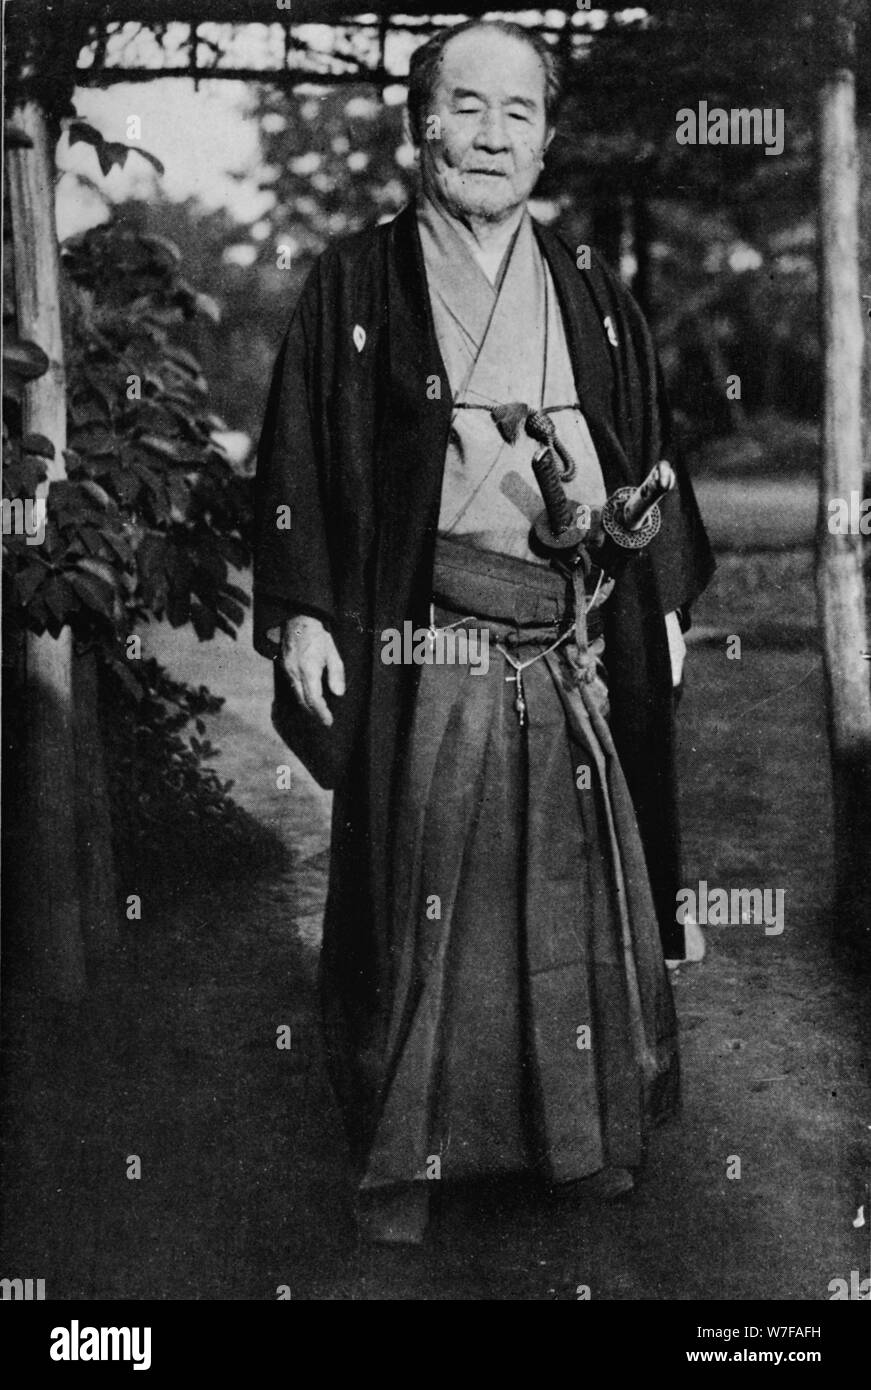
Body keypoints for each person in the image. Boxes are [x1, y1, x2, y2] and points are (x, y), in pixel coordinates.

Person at [253, 19, 715, 1244]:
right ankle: (413, 1156)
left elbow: (646, 458)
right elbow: (299, 445)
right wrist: (303, 605)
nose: (490, 136)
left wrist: (660, 599)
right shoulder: (357, 284)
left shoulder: (593, 295)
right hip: (430, 648)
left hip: (567, 647)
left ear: (547, 138)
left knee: (576, 902)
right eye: (464, 108)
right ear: (418, 128)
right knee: (426, 898)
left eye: (517, 113)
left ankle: (579, 1141)